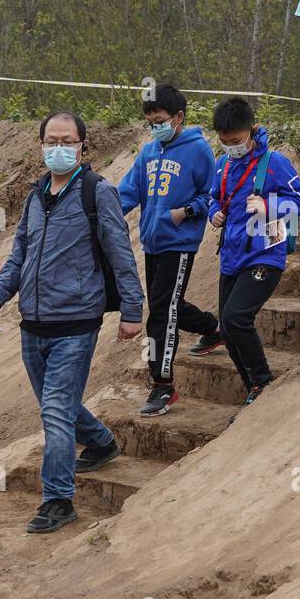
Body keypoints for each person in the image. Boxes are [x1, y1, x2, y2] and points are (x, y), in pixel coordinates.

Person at [0, 113, 145, 534]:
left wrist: (132, 310)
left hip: (76, 323)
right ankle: (102, 441)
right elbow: (19, 254)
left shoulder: (98, 192)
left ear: (82, 146)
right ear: (40, 147)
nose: (58, 147)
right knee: (58, 406)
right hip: (32, 325)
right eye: (51, 140)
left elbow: (119, 254)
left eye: (67, 141)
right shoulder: (35, 196)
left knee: (54, 413)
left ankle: (58, 500)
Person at [117, 84, 220, 418]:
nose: (155, 127)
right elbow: (129, 192)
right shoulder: (148, 152)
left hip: (180, 243)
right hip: (152, 242)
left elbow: (212, 195)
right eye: (150, 122)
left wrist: (186, 212)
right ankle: (213, 328)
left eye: (159, 120)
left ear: (179, 117)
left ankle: (163, 385)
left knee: (161, 313)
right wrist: (101, 213)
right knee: (168, 304)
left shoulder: (199, 150)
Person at [207, 98, 300, 404]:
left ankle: (263, 381)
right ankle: (251, 386)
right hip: (231, 255)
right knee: (226, 326)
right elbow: (213, 198)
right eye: (224, 142)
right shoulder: (222, 165)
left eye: (236, 141)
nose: (230, 146)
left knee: (237, 318)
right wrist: (214, 213)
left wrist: (269, 205)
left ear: (251, 131)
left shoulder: (274, 162)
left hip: (265, 254)